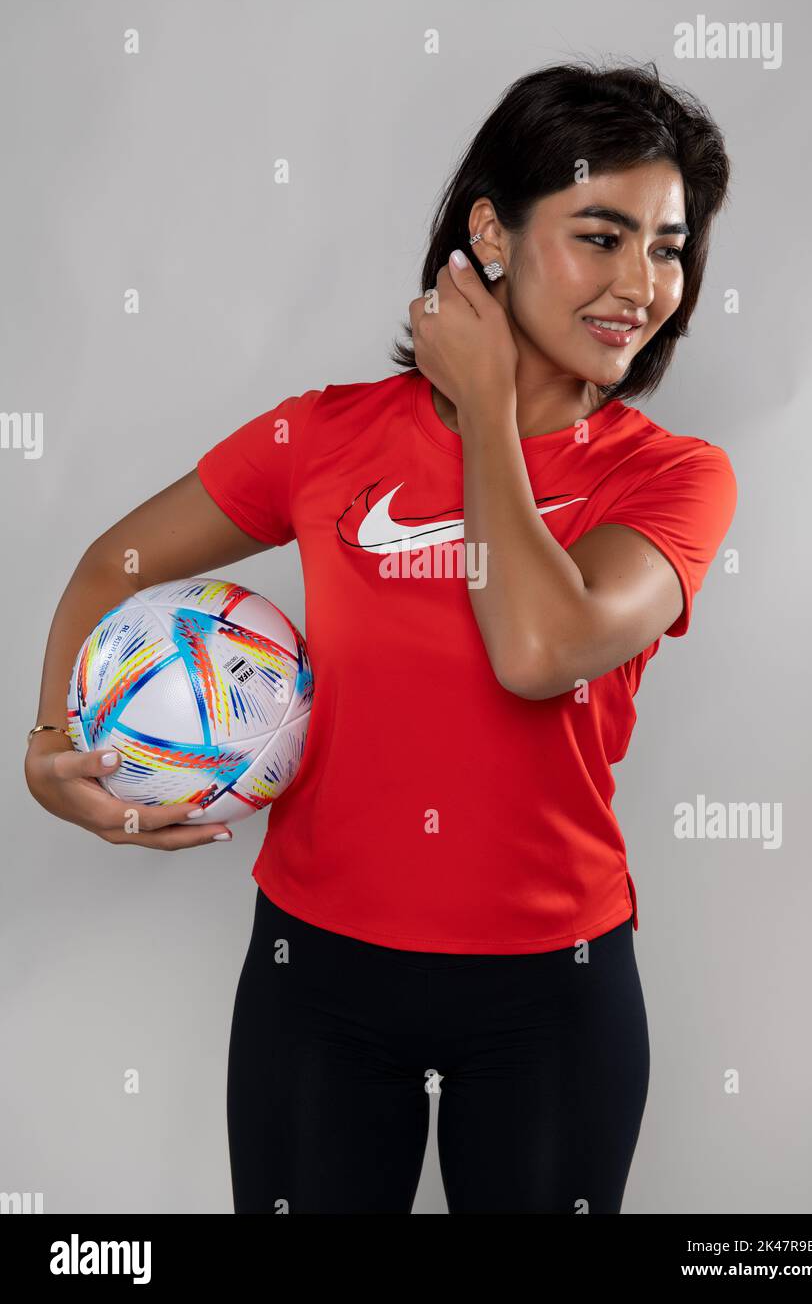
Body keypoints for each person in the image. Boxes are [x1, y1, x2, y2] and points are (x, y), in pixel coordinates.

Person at [24, 58, 737, 1215]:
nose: (643, 284)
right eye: (600, 235)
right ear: (489, 236)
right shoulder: (322, 435)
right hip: (318, 983)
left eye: (667, 247)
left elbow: (537, 648)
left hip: (552, 995)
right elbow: (119, 563)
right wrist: (52, 738)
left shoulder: (674, 480)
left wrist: (488, 411)